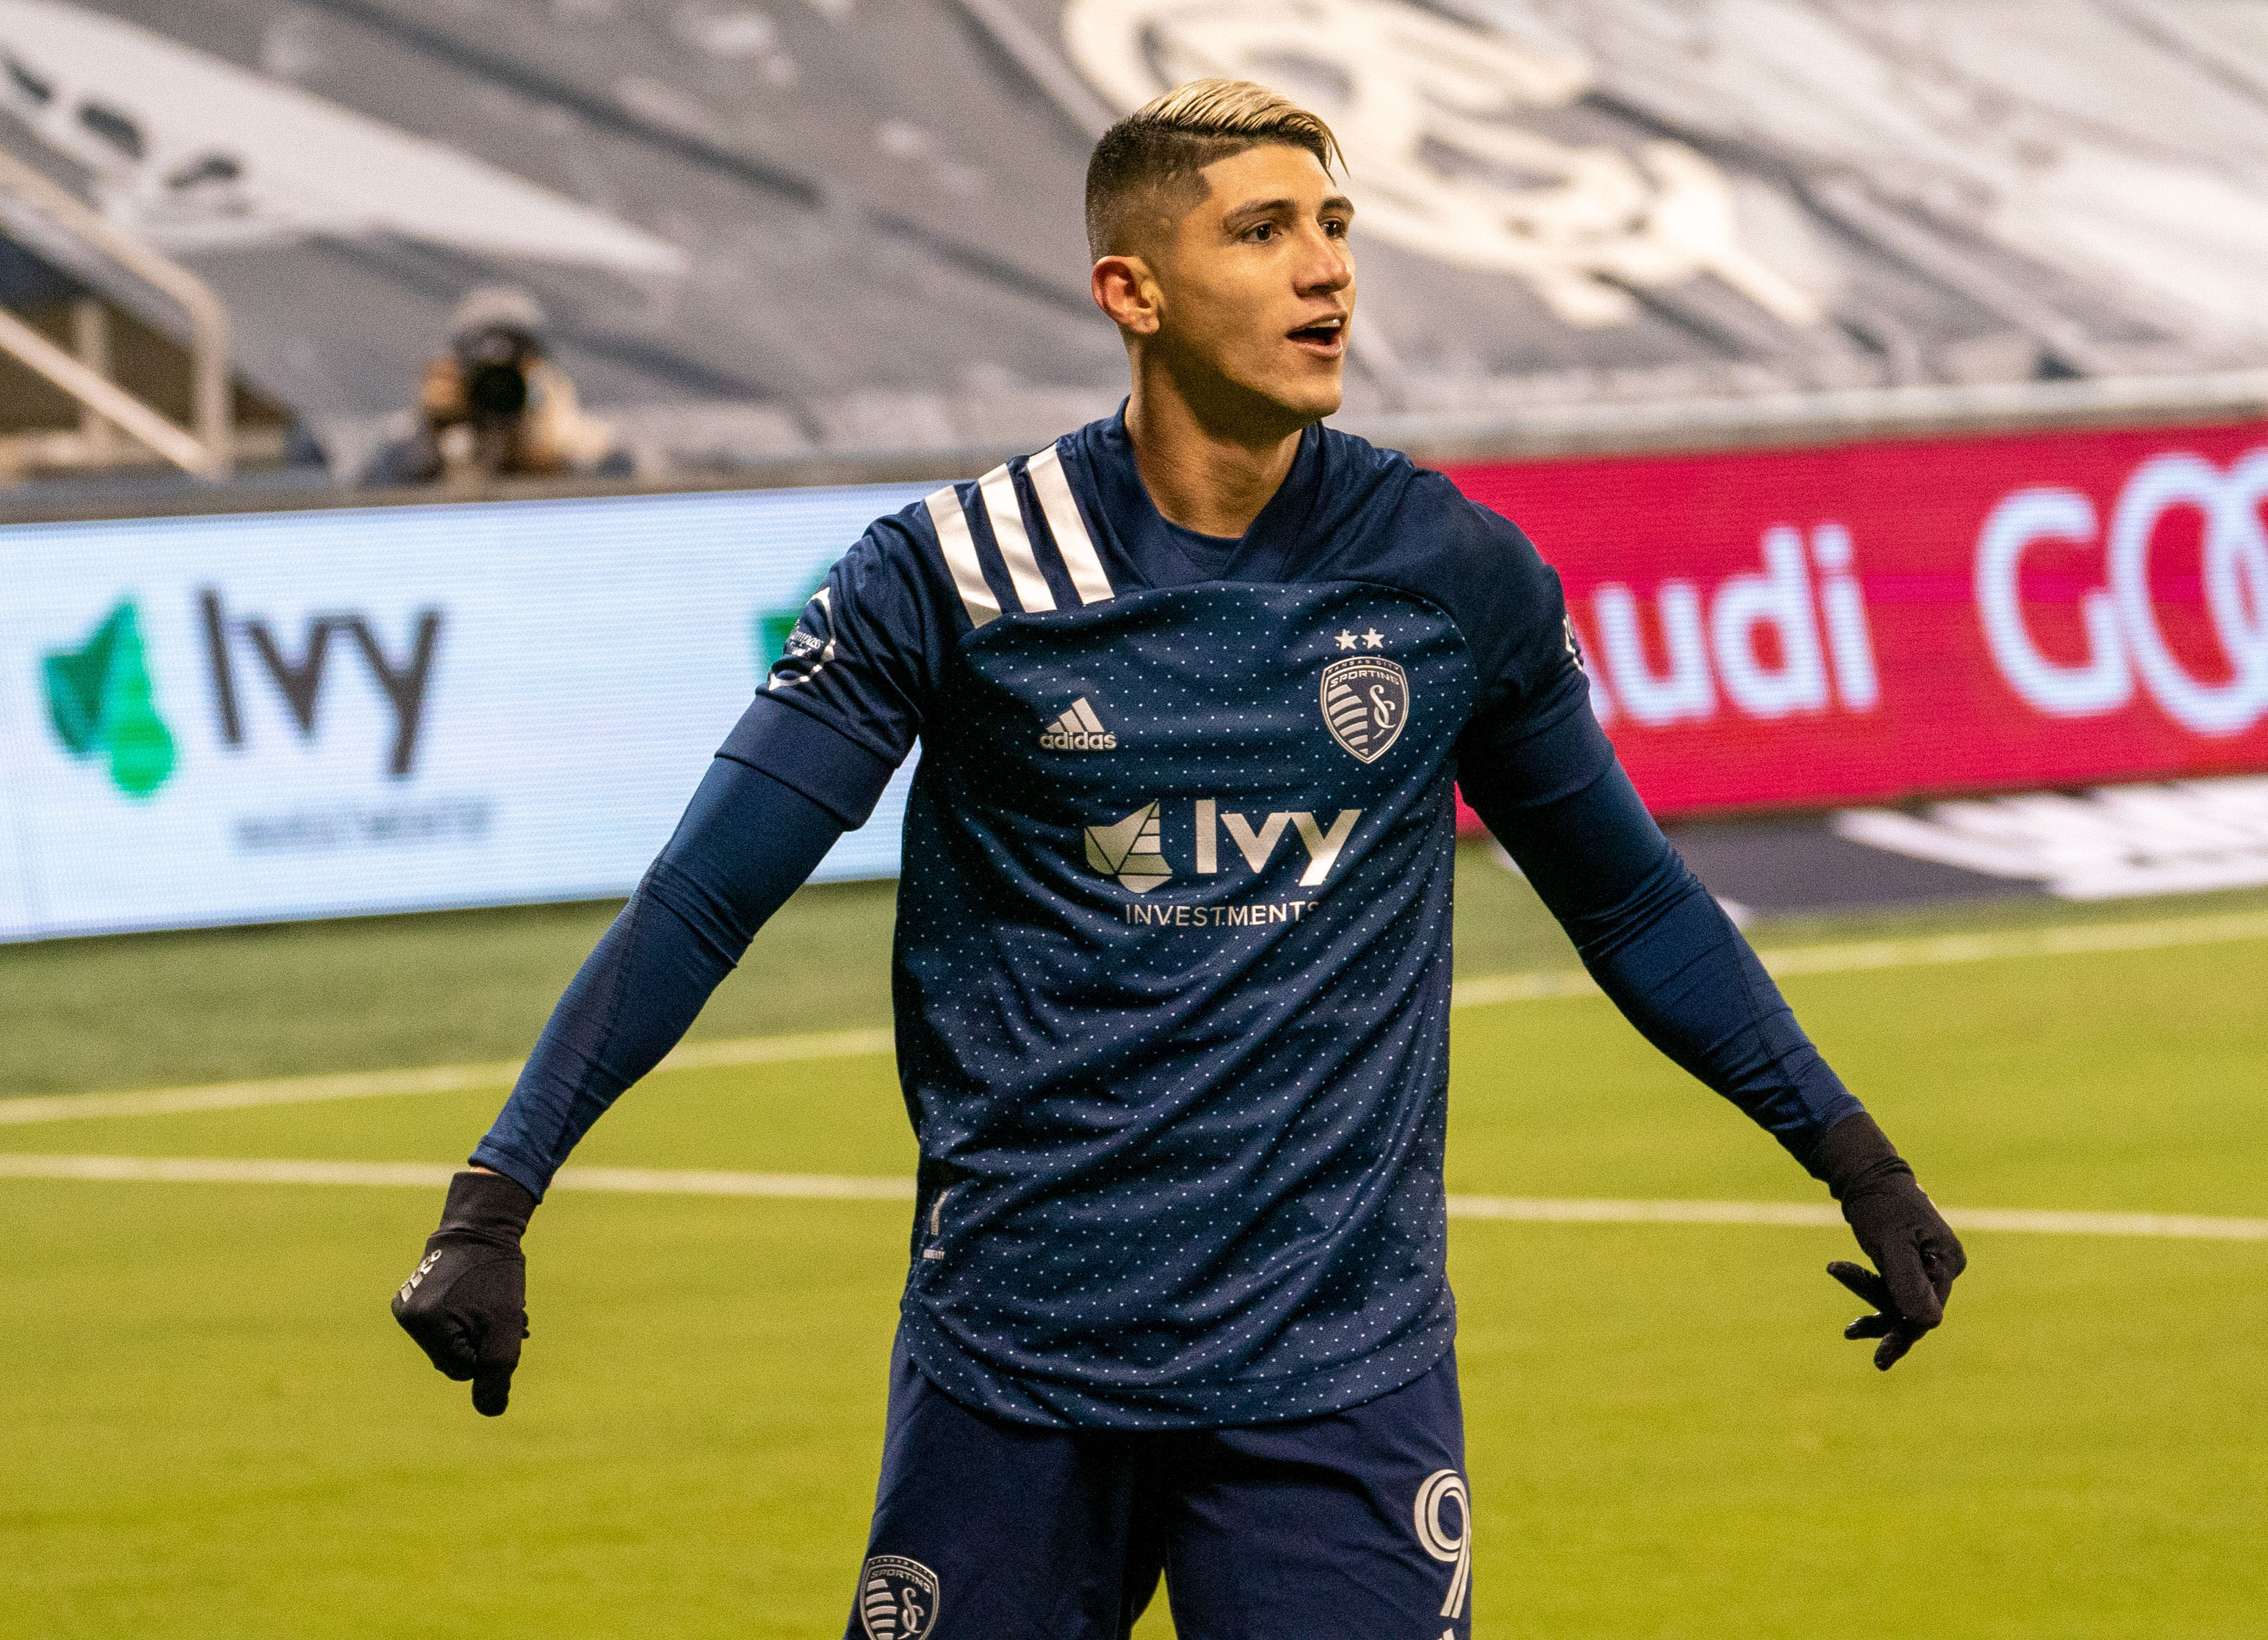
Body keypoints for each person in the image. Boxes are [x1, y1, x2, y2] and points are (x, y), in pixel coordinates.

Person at [391, 81, 1965, 1638]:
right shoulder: (954, 578)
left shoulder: (1450, 576)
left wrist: (1853, 1154)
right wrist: (495, 1195)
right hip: (1012, 1378)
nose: (1326, 269)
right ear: (1130, 292)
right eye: (1264, 230)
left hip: (1338, 1387)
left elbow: (1628, 897)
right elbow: (708, 893)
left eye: (1336, 227)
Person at [359, 285, 626, 486]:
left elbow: (631, 507)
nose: (499, 385)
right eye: (482, 369)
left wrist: (560, 454)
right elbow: (360, 508)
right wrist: (427, 438)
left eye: (514, 368)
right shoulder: (409, 445)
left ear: (542, 371)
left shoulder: (592, 446)